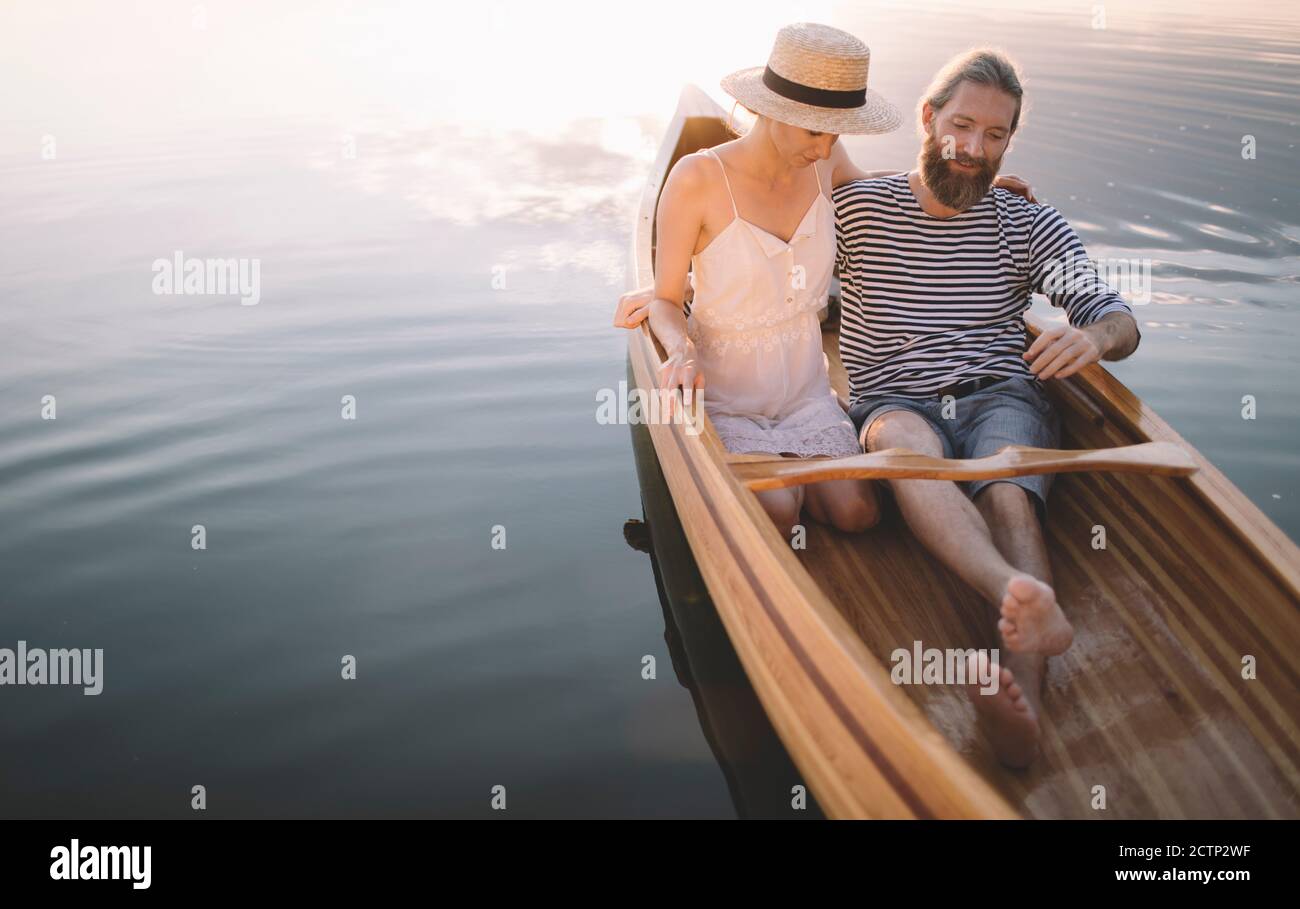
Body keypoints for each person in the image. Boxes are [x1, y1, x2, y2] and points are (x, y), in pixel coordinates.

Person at [832, 48, 1141, 767]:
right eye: (962, 126)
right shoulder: (858, 209)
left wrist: (1092, 335)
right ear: (928, 118)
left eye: (995, 136)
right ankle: (1018, 591)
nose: (974, 150)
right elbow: (763, 237)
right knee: (906, 447)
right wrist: (672, 300)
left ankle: (1023, 706)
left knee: (1008, 486)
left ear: (1009, 141)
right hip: (893, 398)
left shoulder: (1025, 222)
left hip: (1000, 393)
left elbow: (1116, 313)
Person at [613, 23, 1035, 536]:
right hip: (725, 384)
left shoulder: (827, 160)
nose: (825, 146)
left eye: (836, 131)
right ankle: (773, 470)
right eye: (815, 130)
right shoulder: (697, 178)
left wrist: (970, 181)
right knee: (778, 511)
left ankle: (813, 436)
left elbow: (893, 201)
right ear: (772, 111)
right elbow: (662, 301)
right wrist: (679, 344)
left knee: (859, 514)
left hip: (803, 383)